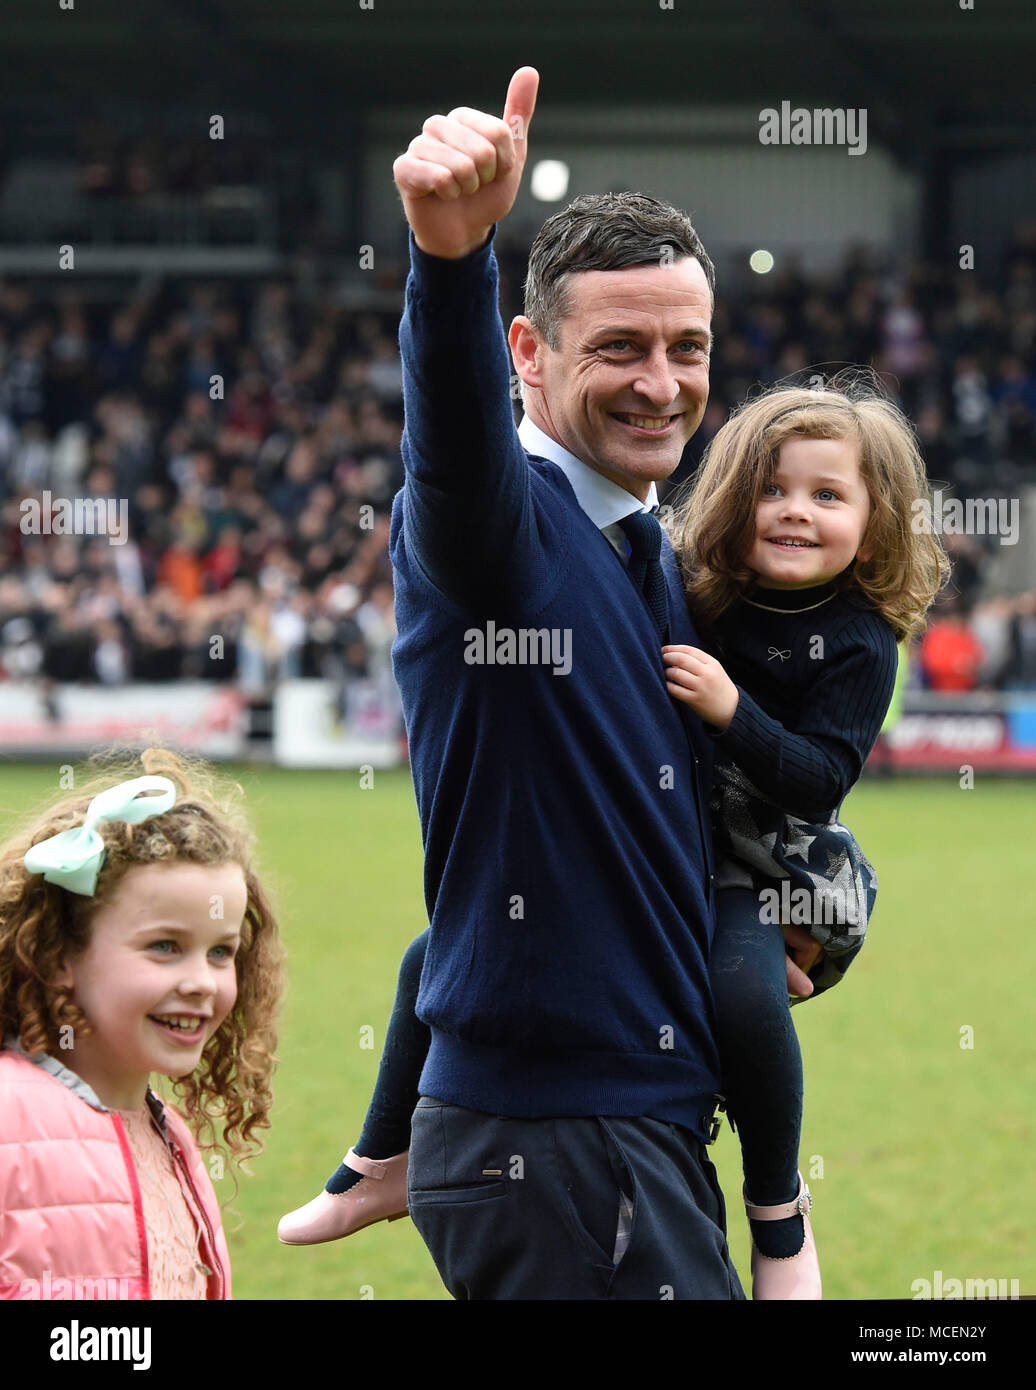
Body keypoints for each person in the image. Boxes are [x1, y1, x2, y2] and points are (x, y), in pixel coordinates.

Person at [279, 374, 949, 1298]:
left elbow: (821, 780)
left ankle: (781, 1218)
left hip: (754, 873)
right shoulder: (697, 585)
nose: (795, 513)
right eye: (774, 489)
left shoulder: (862, 642)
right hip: (652, 851)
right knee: (432, 956)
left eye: (828, 496)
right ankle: (378, 1158)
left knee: (746, 1000)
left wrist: (732, 710)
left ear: (876, 524)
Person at [282, 66, 777, 1301]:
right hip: (555, 1149)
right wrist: (448, 260)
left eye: (686, 347)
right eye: (618, 347)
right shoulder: (501, 531)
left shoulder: (641, 547)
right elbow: (450, 445)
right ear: (528, 352)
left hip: (619, 1131)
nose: (661, 383)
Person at [0, 747, 284, 1300]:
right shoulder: (10, 1116)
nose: (202, 980)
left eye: (221, 953)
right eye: (165, 946)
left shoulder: (168, 1134)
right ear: (58, 954)